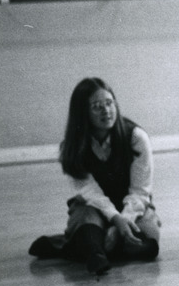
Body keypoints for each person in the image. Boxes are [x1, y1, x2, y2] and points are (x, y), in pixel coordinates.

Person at [28, 77, 160, 275]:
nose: (106, 111)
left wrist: (123, 223)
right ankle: (96, 252)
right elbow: (90, 192)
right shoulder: (73, 147)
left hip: (132, 207)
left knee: (149, 240)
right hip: (94, 207)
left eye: (109, 103)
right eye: (97, 106)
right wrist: (115, 219)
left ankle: (72, 246)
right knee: (87, 219)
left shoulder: (136, 138)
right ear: (84, 113)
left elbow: (141, 191)